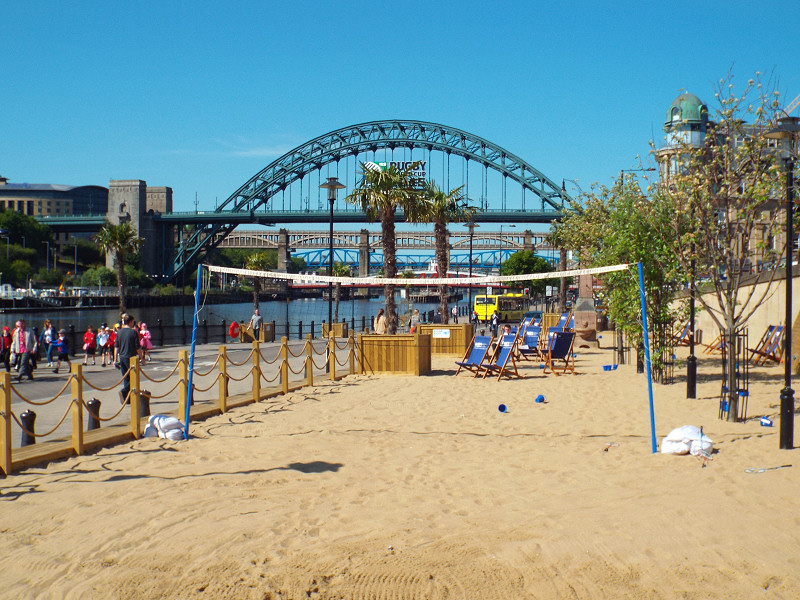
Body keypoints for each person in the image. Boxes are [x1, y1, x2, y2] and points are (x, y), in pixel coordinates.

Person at [116, 314, 140, 404]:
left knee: (126, 378)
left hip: (122, 357)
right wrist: (142, 357)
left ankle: (128, 398)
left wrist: (115, 359)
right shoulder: (133, 332)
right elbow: (138, 347)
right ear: (130, 322)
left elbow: (116, 347)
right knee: (133, 378)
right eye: (133, 322)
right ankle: (125, 391)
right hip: (131, 357)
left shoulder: (119, 332)